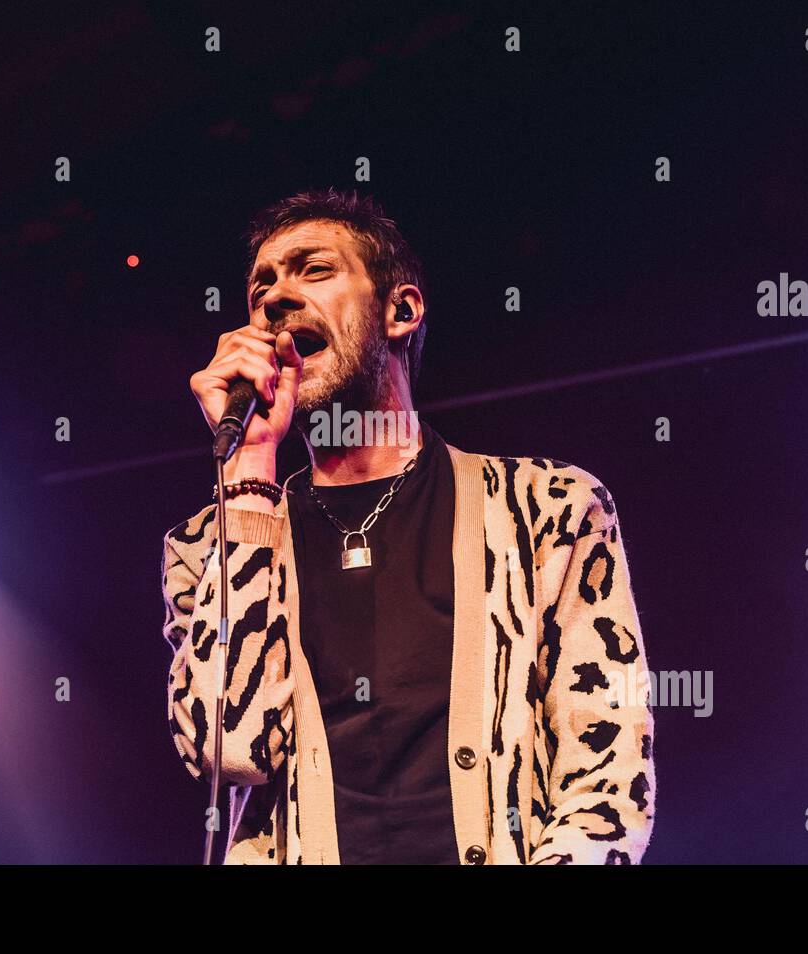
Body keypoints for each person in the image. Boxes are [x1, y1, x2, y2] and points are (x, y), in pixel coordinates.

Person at [161, 187, 656, 864]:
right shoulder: (207, 546)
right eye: (261, 288)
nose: (276, 297)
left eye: (313, 269)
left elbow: (606, 778)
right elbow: (231, 749)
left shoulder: (550, 509)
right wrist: (248, 470)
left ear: (400, 310)